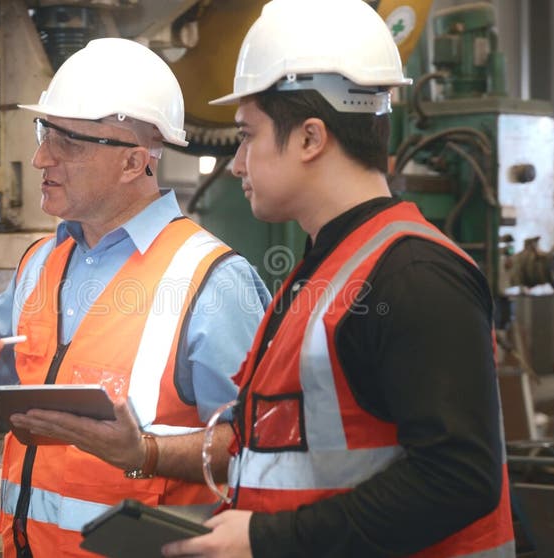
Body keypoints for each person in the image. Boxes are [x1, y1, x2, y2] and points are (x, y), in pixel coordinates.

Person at [161, 0, 516, 556]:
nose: (236, 164)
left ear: (310, 138)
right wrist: (140, 454)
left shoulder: (415, 277)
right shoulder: (326, 269)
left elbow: (459, 478)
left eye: (248, 136)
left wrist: (267, 539)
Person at [0, 37, 269, 557]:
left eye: (67, 142)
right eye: (44, 132)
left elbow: (257, 447)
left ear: (134, 163)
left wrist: (144, 453)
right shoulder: (43, 260)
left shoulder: (211, 280)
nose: (41, 157)